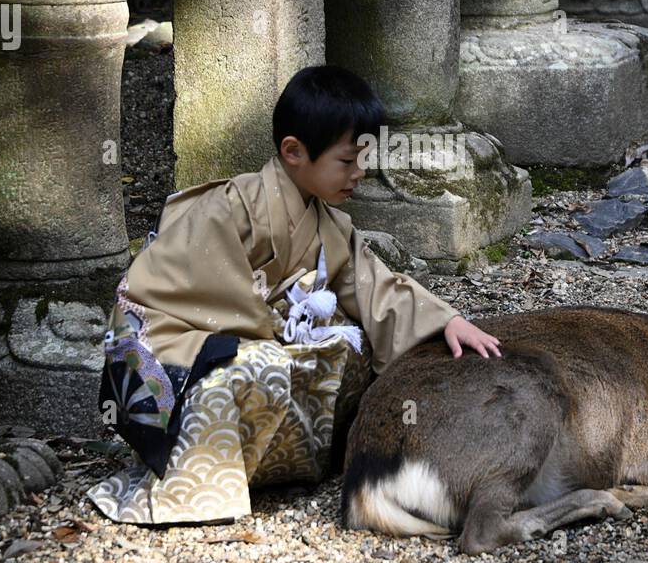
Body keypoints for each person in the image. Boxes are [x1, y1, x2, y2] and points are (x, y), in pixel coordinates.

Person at [88, 65, 502, 525]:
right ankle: (198, 484)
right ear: (293, 152)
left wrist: (446, 321)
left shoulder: (333, 226)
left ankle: (278, 467)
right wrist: (280, 323)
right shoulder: (230, 206)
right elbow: (202, 287)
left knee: (352, 350)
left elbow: (375, 288)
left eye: (365, 159)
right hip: (168, 341)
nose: (360, 173)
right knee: (263, 365)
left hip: (247, 335)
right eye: (347, 161)